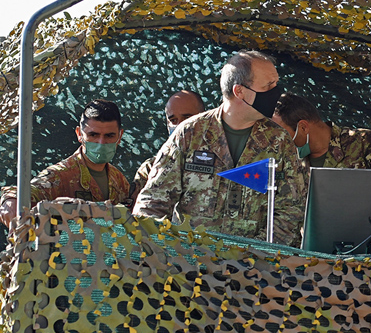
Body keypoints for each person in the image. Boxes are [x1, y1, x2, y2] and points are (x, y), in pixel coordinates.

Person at [133, 51, 308, 246]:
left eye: (276, 84)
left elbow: (292, 209)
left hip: (252, 266)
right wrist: (160, 251)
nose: (277, 92)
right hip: (191, 262)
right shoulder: (190, 134)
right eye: (269, 86)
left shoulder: (279, 141)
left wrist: (255, 254)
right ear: (239, 91)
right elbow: (153, 202)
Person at [0, 99, 133, 226]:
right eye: (93, 135)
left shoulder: (119, 181)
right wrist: (13, 210)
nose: (101, 143)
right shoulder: (60, 175)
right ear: (79, 134)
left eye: (109, 136)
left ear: (120, 136)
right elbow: (17, 197)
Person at [272, 92, 371, 171]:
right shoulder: (287, 162)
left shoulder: (365, 143)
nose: (278, 141)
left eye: (282, 134)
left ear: (303, 127)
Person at [131, 89, 206, 203]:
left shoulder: (222, 162)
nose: (180, 126)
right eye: (173, 120)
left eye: (187, 118)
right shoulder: (151, 168)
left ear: (204, 119)